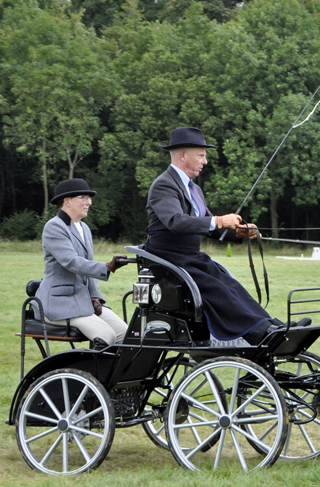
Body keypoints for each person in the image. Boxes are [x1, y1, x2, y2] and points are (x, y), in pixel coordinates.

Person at [144, 126, 280, 345]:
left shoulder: (194, 190)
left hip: (190, 258)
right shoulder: (163, 185)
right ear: (182, 155)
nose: (205, 161)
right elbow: (176, 222)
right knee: (217, 288)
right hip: (168, 259)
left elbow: (207, 227)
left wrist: (238, 233)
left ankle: (268, 325)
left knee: (229, 284)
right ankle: (256, 332)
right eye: (201, 155)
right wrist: (218, 220)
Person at [37, 178, 129, 346]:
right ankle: (90, 372)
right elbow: (72, 262)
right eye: (83, 197)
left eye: (89, 198)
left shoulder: (84, 228)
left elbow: (88, 265)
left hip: (83, 301)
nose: (89, 202)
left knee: (125, 333)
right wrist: (107, 267)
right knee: (106, 336)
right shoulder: (54, 227)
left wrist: (96, 297)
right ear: (67, 201)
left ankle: (114, 373)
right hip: (61, 304)